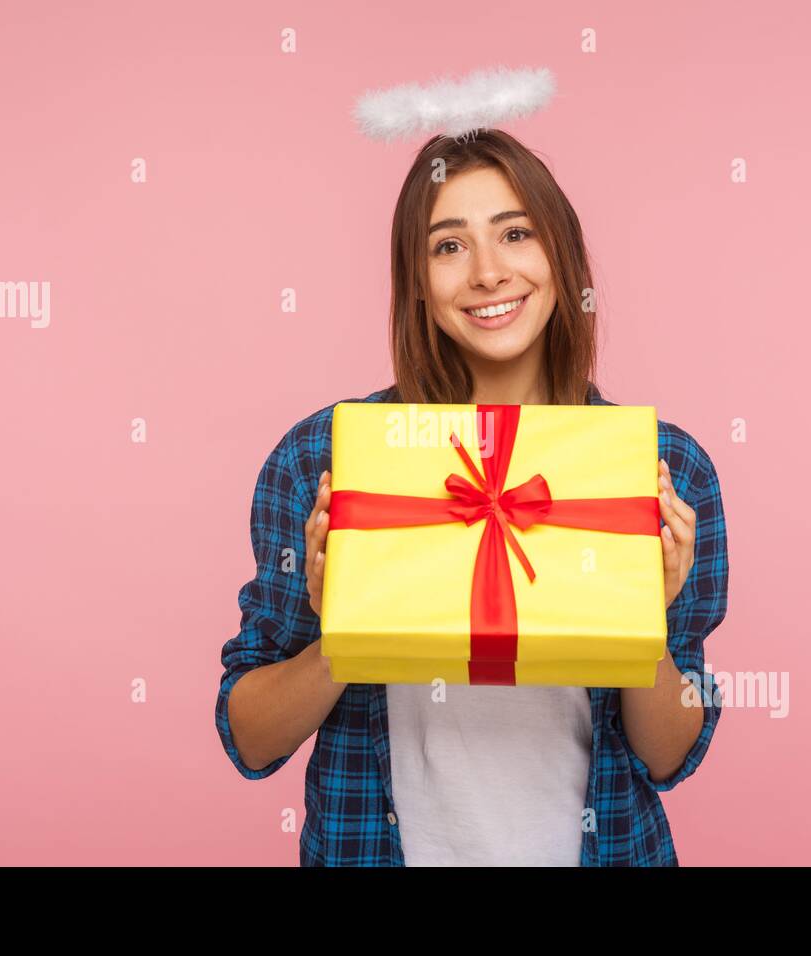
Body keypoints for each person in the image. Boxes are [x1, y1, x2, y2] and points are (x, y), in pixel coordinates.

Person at [214, 129, 729, 866]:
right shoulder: (325, 459)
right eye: (449, 246)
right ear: (417, 280)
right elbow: (250, 738)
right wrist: (345, 633)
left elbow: (670, 756)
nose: (489, 273)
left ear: (562, 256)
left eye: (516, 234)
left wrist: (640, 626)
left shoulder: (661, 469)